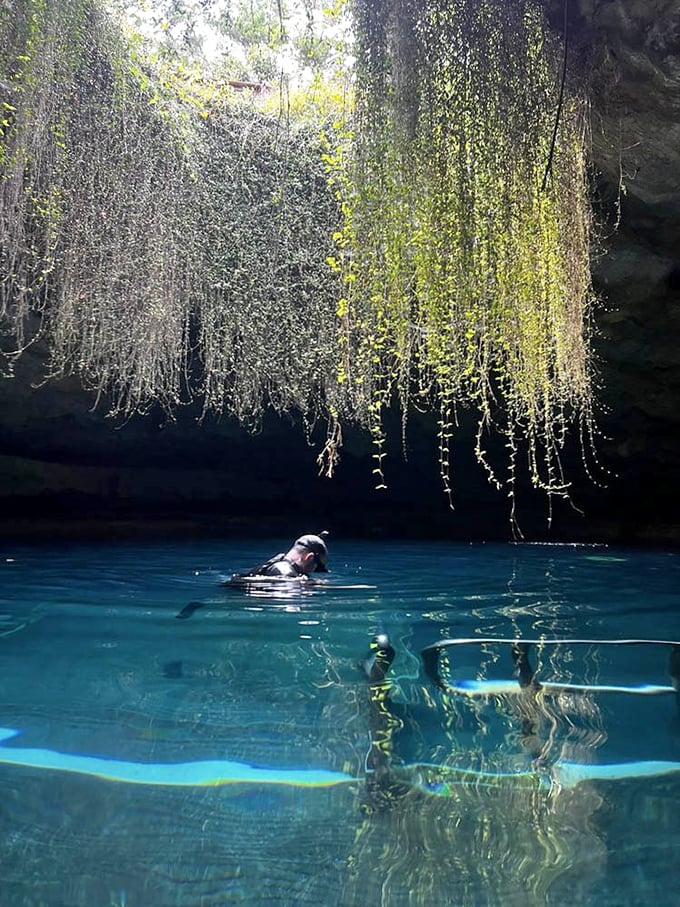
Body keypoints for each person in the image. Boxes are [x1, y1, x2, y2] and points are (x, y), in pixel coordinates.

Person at [244, 531, 330, 579]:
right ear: (309, 557)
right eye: (316, 567)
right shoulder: (285, 573)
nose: (312, 572)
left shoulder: (276, 564)